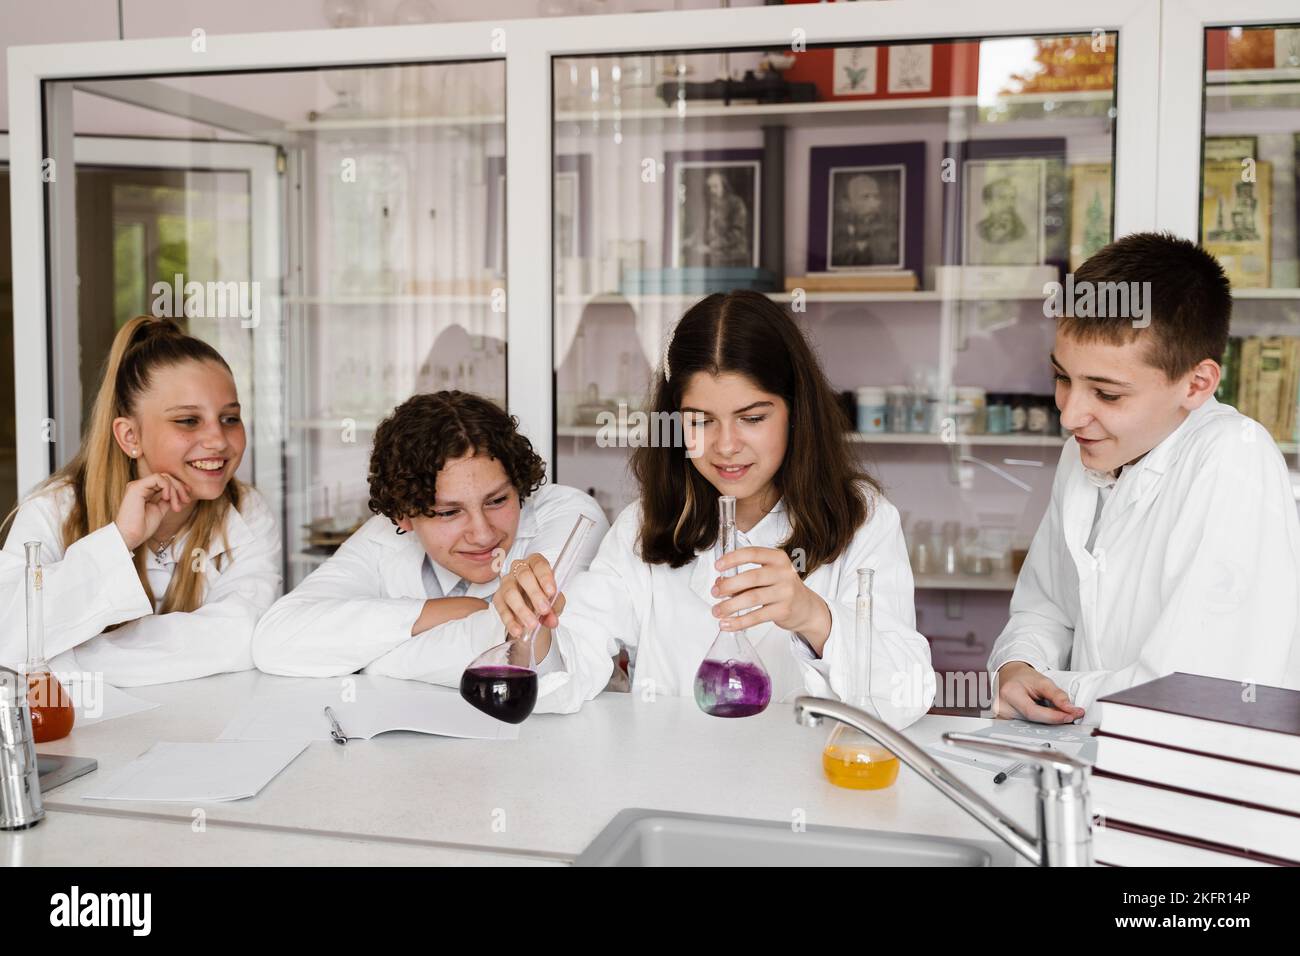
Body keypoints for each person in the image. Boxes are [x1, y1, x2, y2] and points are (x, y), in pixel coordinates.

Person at [494, 291, 936, 726]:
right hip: (673, 786)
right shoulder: (646, 526)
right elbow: (568, 668)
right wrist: (533, 626)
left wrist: (812, 616)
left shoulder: (862, 519)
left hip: (803, 789)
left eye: (753, 418)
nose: (725, 446)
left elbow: (907, 695)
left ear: (797, 411)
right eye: (699, 420)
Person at [989, 232, 1300, 724]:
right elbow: (1046, 607)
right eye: (1062, 378)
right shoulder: (1087, 453)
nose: (1070, 415)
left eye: (1107, 394)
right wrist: (1019, 665)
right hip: (1096, 764)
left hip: (1201, 786)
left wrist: (1057, 690)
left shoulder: (1233, 457)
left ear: (1196, 384)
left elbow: (1192, 696)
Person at [252, 391, 611, 713]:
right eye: (448, 512)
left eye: (498, 500)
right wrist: (445, 612)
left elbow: (546, 678)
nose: (483, 533)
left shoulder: (571, 516)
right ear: (403, 516)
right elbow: (275, 641)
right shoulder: (384, 536)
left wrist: (370, 661)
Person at [0, 315, 281, 686]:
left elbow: (248, 636)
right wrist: (119, 540)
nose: (217, 439)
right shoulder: (54, 511)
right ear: (130, 435)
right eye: (188, 421)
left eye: (230, 418)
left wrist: (70, 657)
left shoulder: (246, 512)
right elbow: (9, 637)